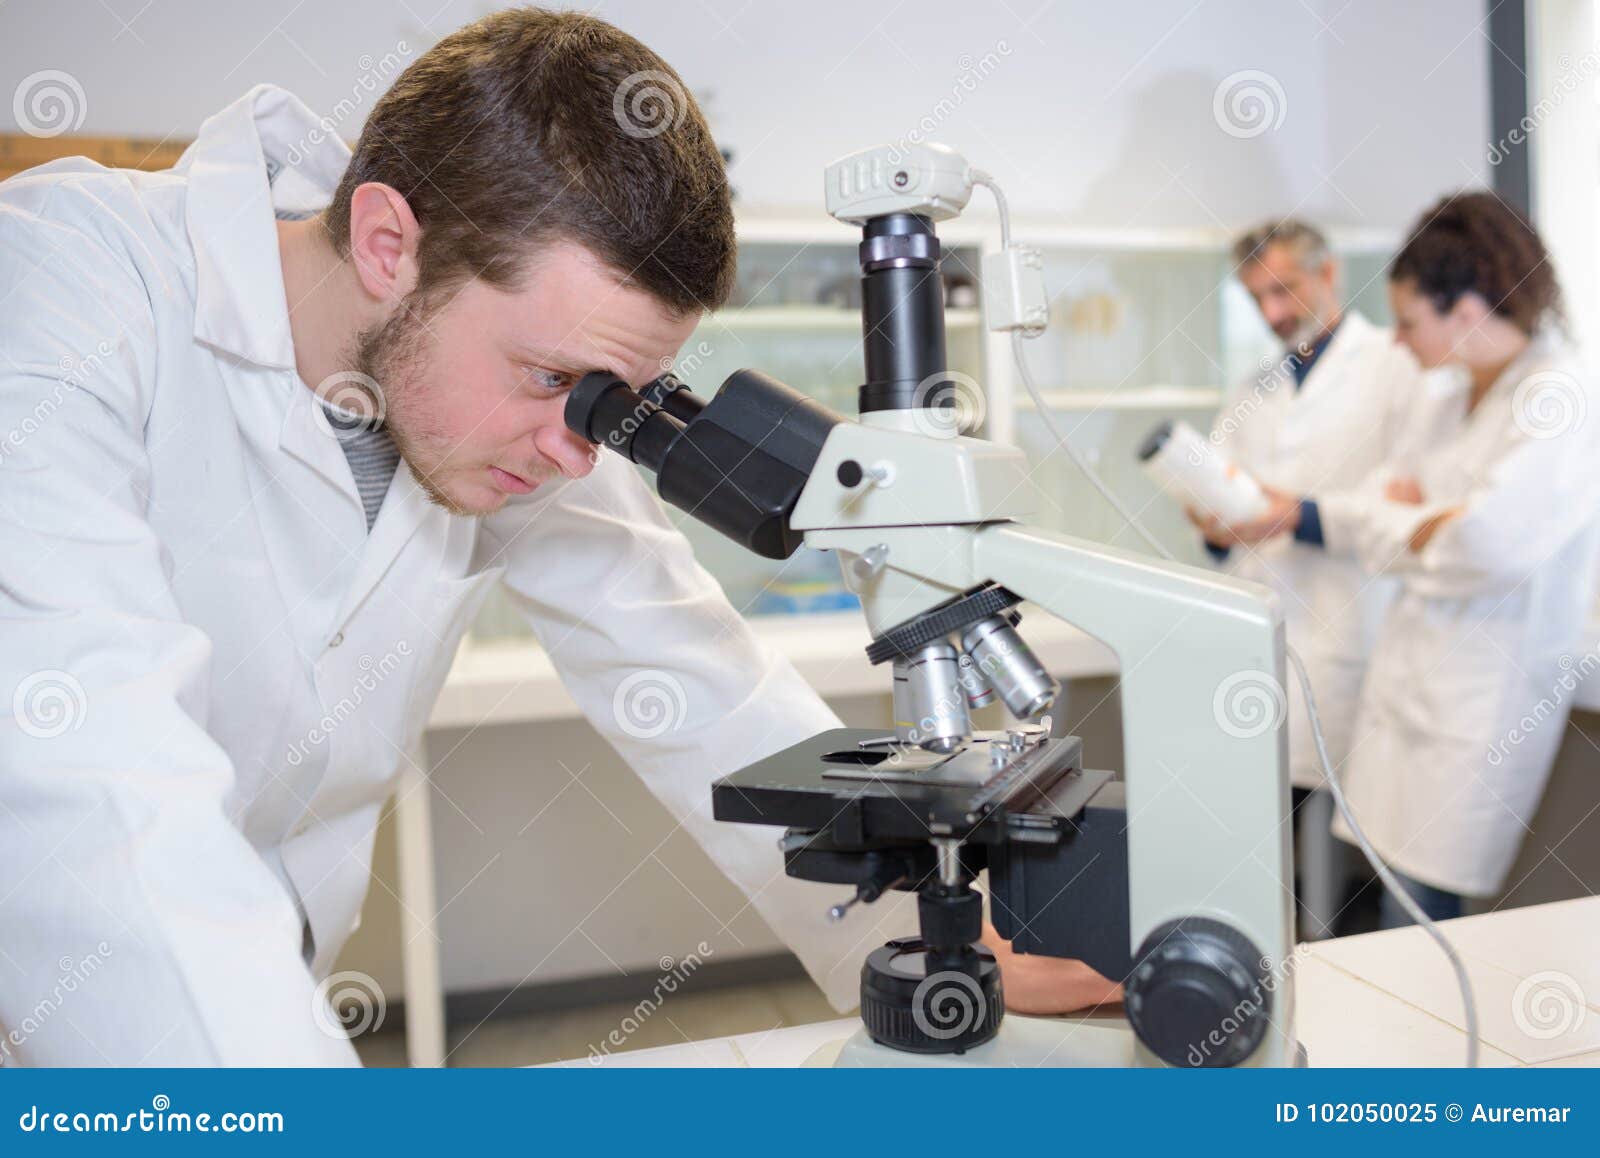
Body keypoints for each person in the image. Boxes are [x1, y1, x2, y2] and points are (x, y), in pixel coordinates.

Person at [0, 9, 932, 1065]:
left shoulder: (513, 399)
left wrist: (915, 940)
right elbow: (84, 766)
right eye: (552, 378)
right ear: (387, 245)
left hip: (260, 1021)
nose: (577, 450)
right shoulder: (68, 278)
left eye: (611, 403)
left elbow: (697, 676)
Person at [1230, 192, 1600, 927]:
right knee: (1390, 912)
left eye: (1408, 322)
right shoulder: (1447, 398)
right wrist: (1427, 524)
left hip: (1478, 706)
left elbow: (1487, 545)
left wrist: (1418, 522)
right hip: (1405, 688)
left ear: (1466, 310)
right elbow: (1372, 509)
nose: (1397, 343)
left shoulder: (1560, 396)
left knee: (1422, 923)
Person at [1190, 219, 1423, 938]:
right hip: (1272, 643)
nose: (1272, 312)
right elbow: (1221, 490)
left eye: (1284, 290)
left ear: (1328, 274)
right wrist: (1211, 522)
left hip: (1360, 634)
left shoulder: (1395, 367)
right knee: (1272, 835)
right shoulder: (1254, 386)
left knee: (1365, 845)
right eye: (1256, 297)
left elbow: (1405, 506)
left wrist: (1300, 514)